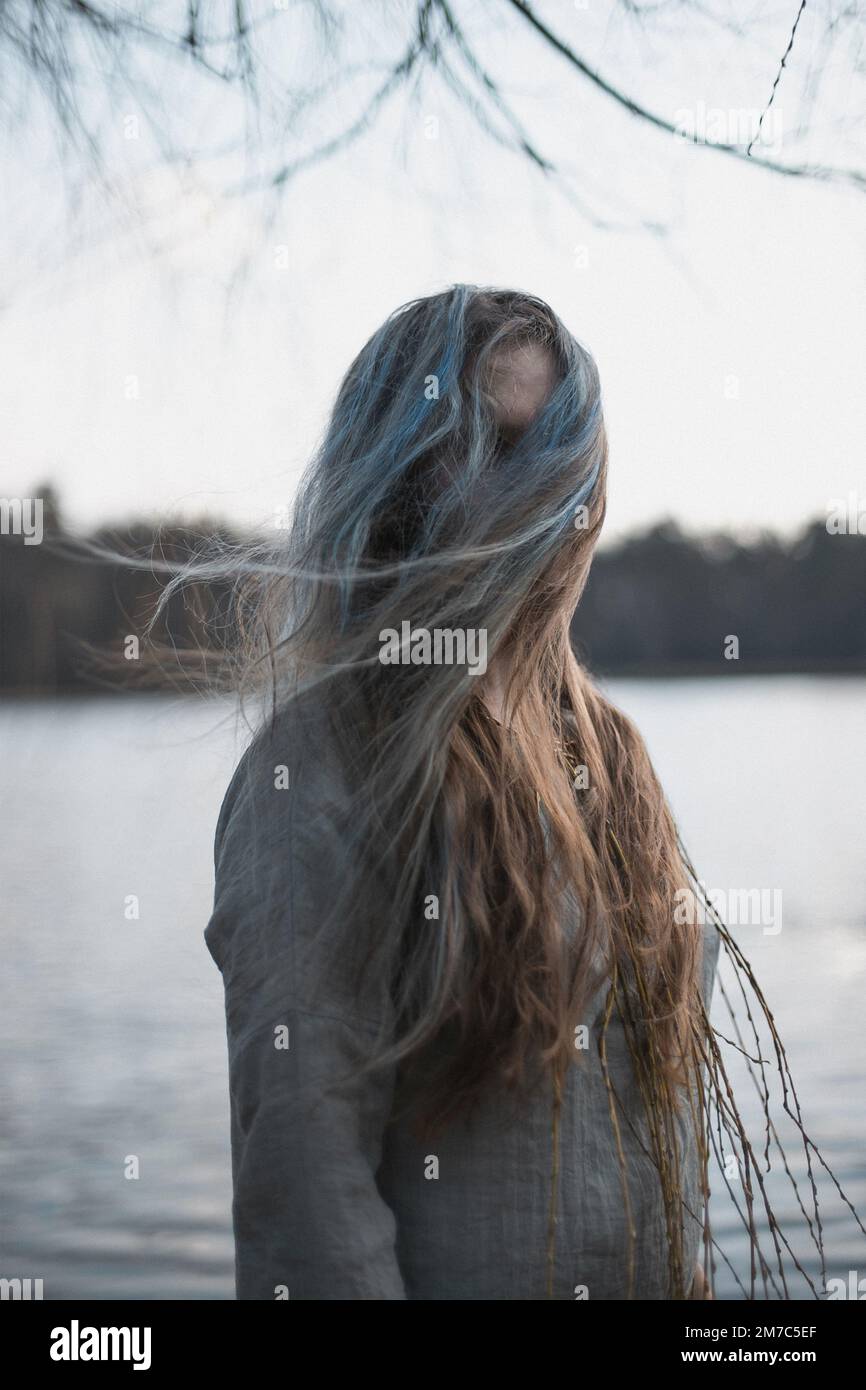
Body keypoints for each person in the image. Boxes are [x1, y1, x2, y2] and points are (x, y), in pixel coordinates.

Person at [204, 285, 719, 1300]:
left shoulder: (612, 756)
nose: (530, 489)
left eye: (551, 448)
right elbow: (308, 1190)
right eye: (484, 440)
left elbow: (667, 1115)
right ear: (395, 473)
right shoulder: (318, 764)